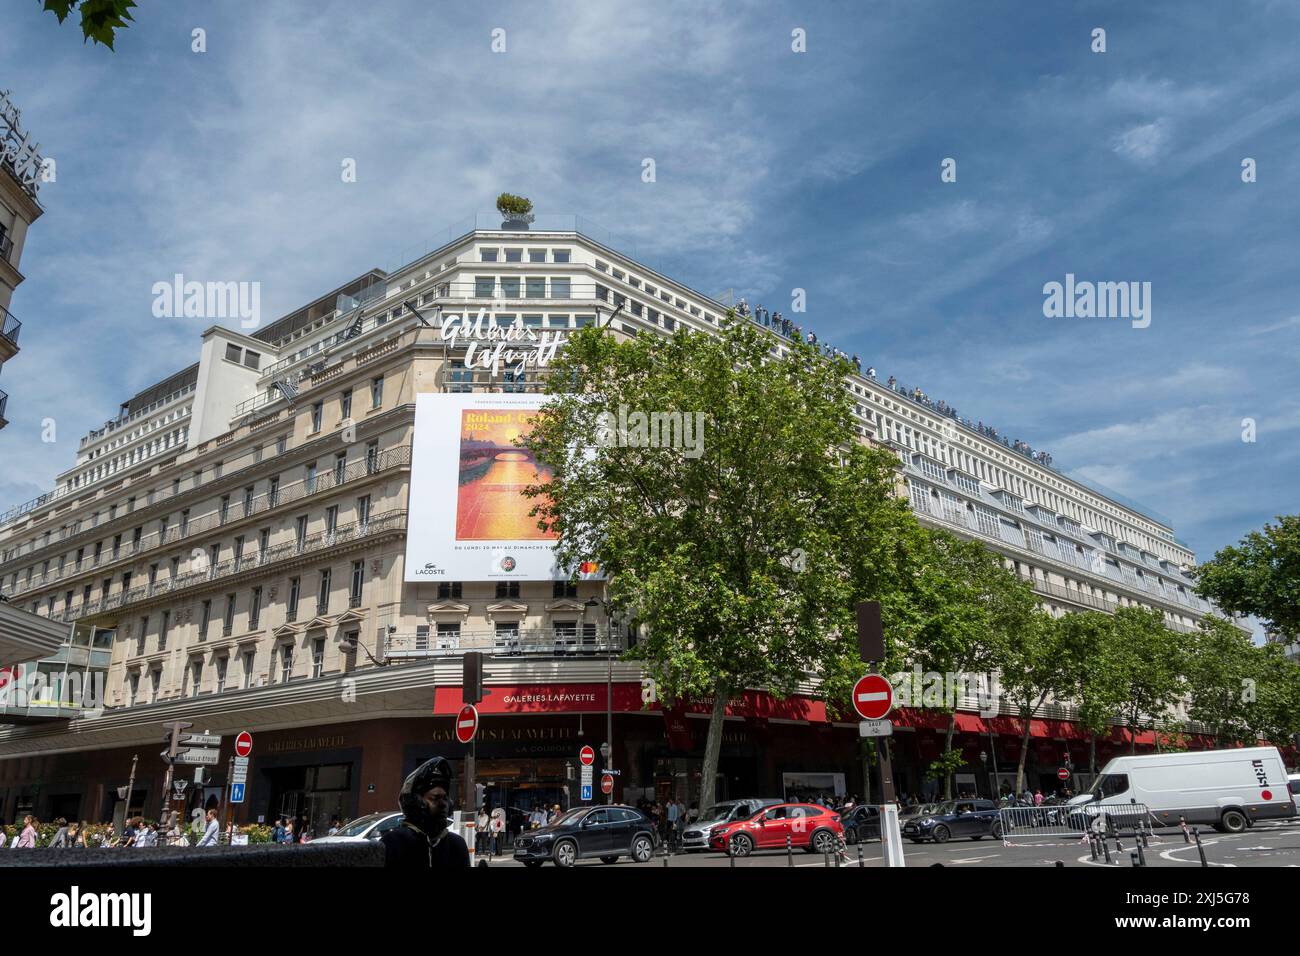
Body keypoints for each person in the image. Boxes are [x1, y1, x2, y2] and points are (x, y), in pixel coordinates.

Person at [381, 756, 470, 868]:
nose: (443, 804)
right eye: (435, 798)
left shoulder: (457, 845)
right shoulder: (392, 843)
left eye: (445, 798)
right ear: (416, 803)